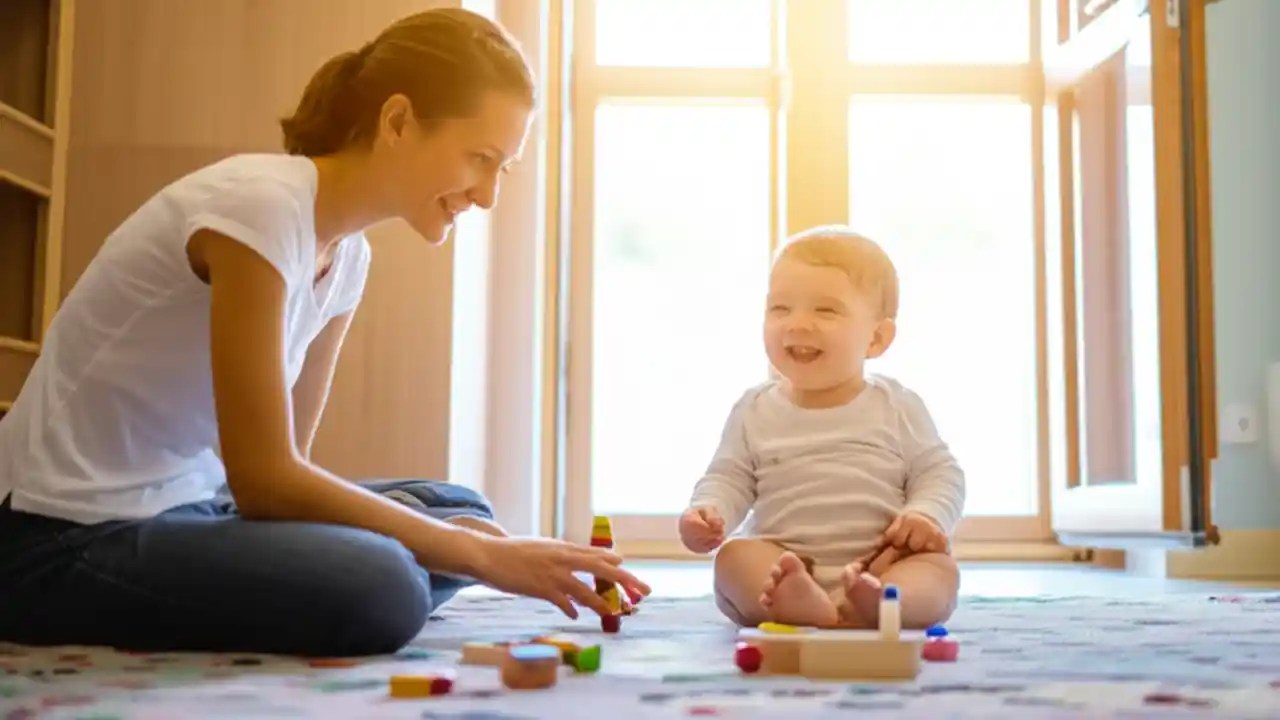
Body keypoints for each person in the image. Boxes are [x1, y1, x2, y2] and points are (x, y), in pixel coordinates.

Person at [0, 8, 648, 657]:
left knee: (455, 503)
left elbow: (288, 481)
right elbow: (266, 482)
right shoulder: (260, 207)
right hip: (55, 536)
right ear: (397, 121)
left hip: (194, 502)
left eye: (502, 168)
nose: (486, 196)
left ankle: (396, 561)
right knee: (385, 583)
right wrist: (476, 554)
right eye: (480, 158)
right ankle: (387, 571)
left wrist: (475, 544)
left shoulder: (348, 257)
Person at [678, 226, 963, 630]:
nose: (797, 324)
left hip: (884, 560)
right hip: (787, 562)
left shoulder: (896, 405)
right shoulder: (754, 409)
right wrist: (708, 512)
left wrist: (926, 514)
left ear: (877, 338)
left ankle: (879, 602)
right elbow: (729, 476)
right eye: (780, 308)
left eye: (825, 310)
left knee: (937, 571)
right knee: (734, 559)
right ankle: (802, 602)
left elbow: (940, 472)